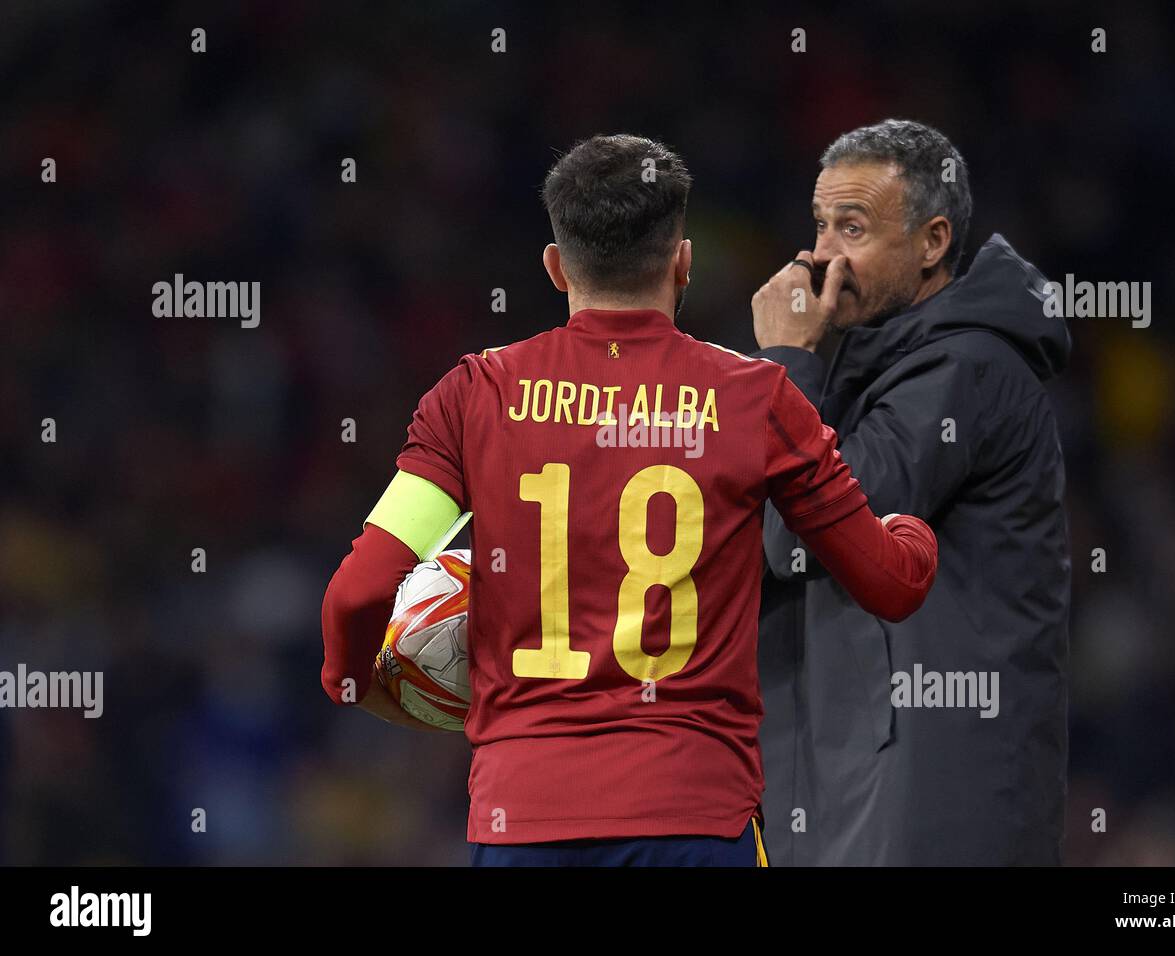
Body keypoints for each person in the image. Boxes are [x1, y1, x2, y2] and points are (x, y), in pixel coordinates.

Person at [320, 133, 938, 867]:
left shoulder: (473, 396)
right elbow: (891, 583)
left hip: (525, 824)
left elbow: (357, 593)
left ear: (556, 267)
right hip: (696, 823)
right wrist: (911, 530)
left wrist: (358, 683)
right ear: (682, 262)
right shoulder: (755, 399)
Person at [751, 119, 1071, 865]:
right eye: (821, 224)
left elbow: (807, 532)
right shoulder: (871, 372)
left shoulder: (968, 368)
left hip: (933, 798)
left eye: (852, 227)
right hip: (851, 782)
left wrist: (785, 363)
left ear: (931, 243)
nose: (821, 253)